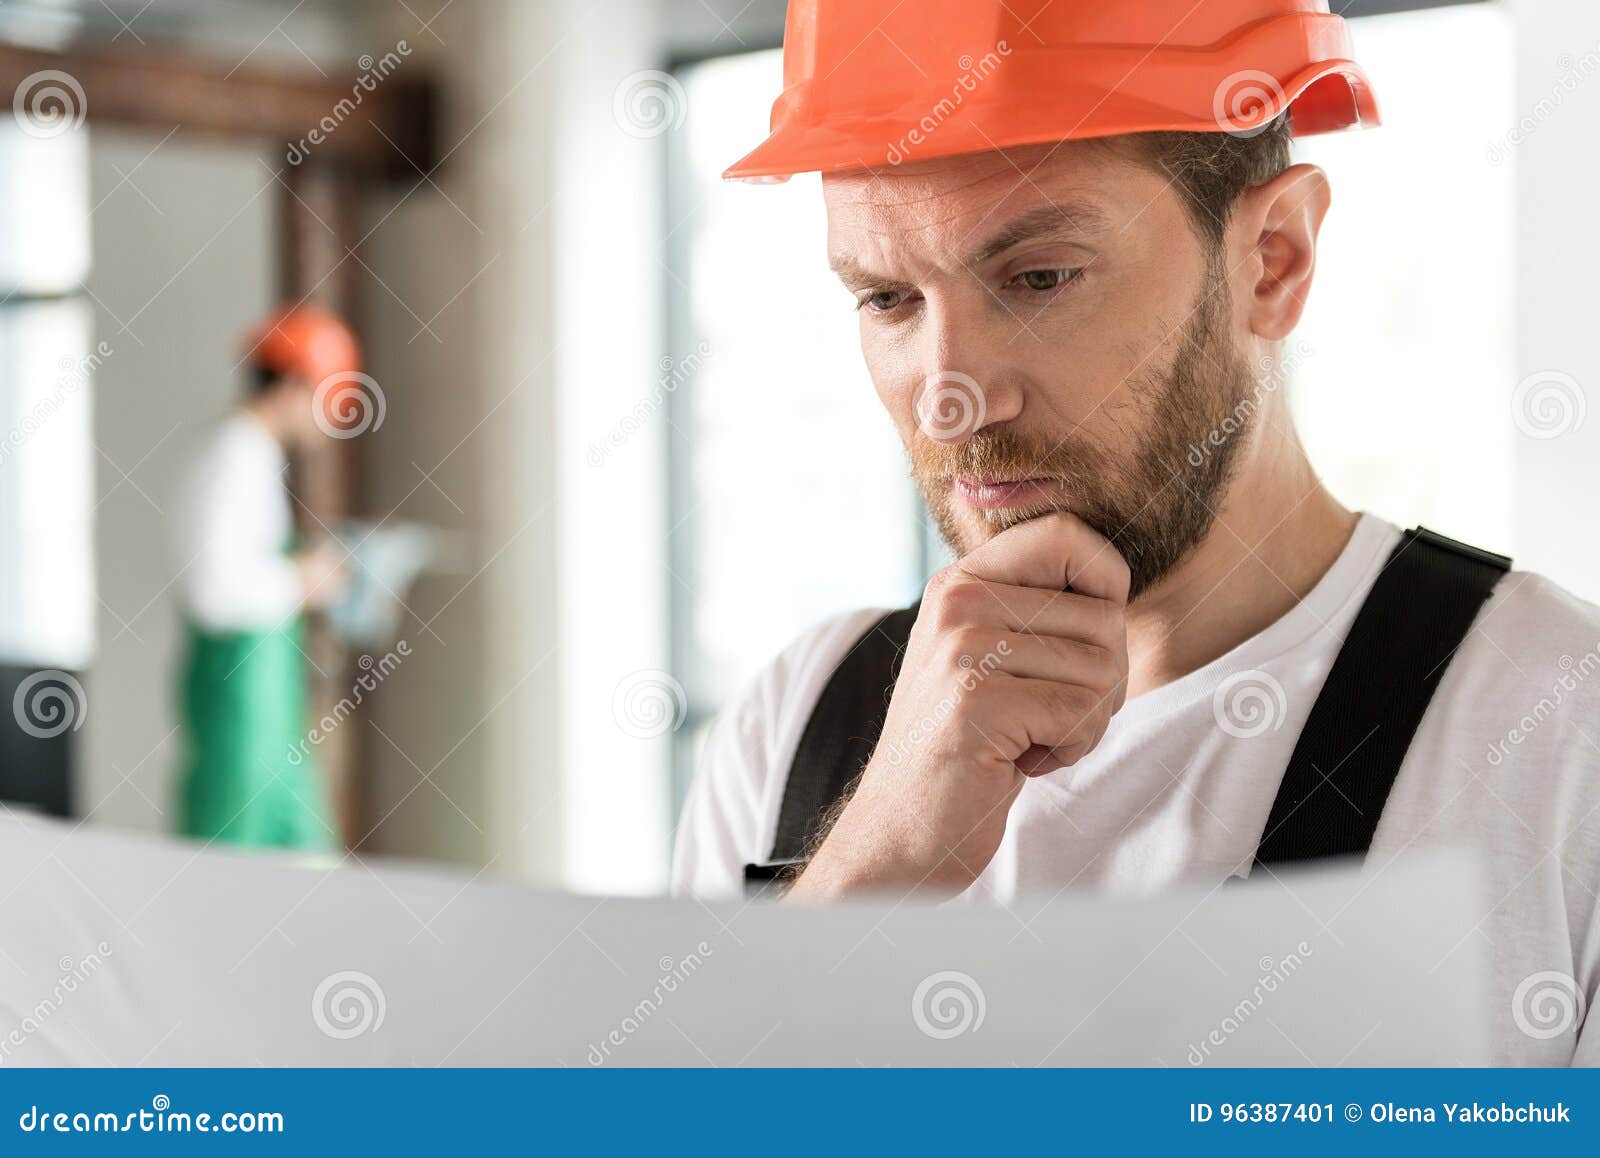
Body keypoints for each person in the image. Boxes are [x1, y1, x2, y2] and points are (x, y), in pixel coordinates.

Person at [672, 0, 1599, 1064]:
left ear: (1272, 261)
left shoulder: (1561, 739)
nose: (950, 397)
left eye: (1036, 279)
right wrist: (872, 865)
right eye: (887, 299)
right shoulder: (799, 728)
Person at [170, 305, 356, 849]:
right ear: (296, 387)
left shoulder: (254, 458)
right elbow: (212, 593)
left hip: (270, 724)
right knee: (227, 884)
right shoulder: (230, 458)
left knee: (304, 870)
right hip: (239, 721)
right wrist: (303, 580)